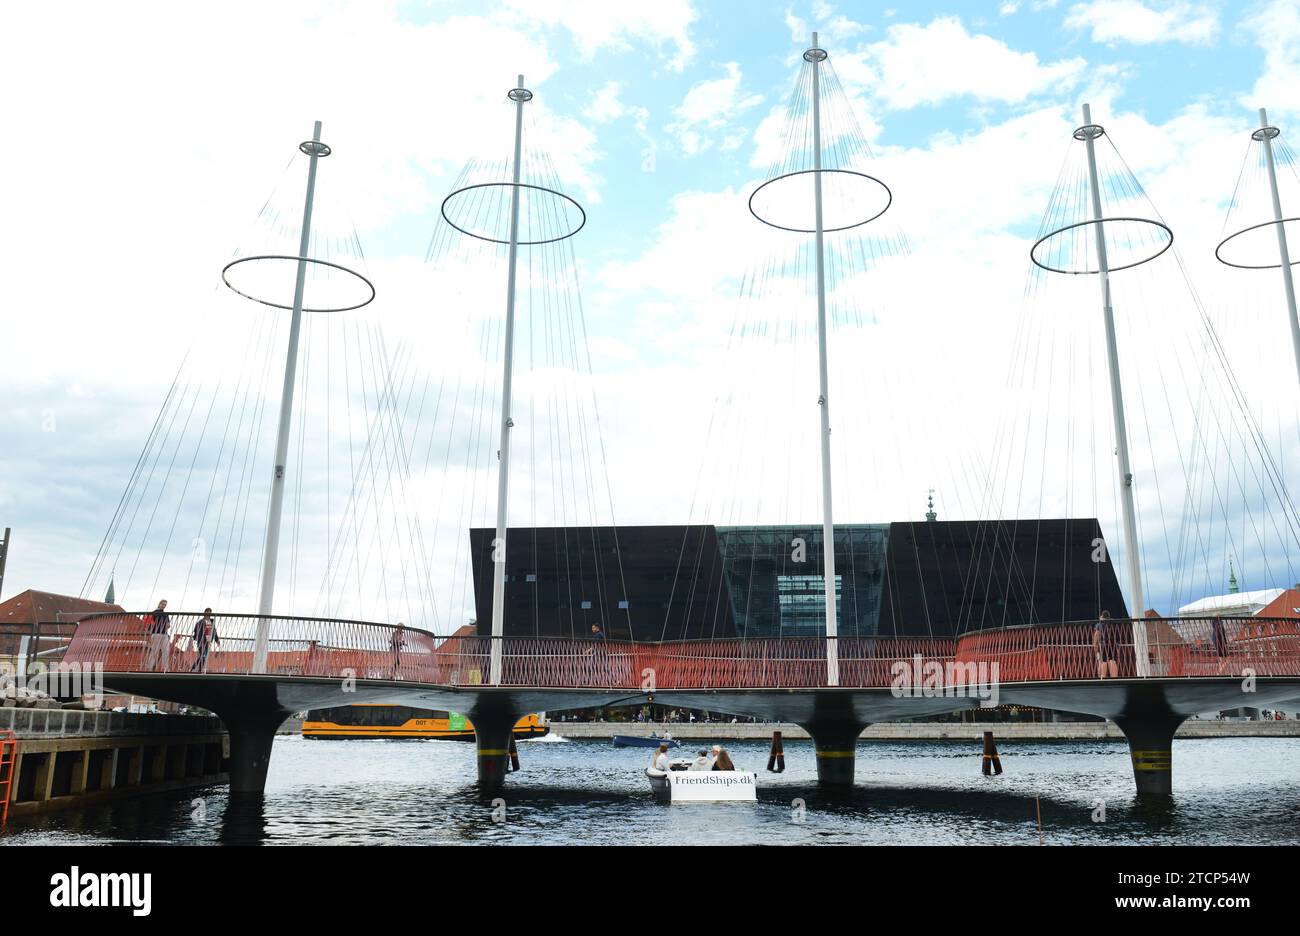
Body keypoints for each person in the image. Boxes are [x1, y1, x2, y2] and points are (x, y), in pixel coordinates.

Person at [143, 600, 171, 672]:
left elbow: (168, 625)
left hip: (164, 633)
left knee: (166, 651)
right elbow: (148, 623)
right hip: (156, 633)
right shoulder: (154, 613)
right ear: (159, 603)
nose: (164, 605)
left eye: (165, 604)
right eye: (163, 604)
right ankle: (150, 667)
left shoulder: (165, 614)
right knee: (155, 651)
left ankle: (166, 668)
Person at [190, 609, 220, 674]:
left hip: (208, 642)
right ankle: (193, 668)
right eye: (207, 612)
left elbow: (214, 632)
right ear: (204, 613)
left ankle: (199, 670)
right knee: (202, 656)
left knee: (204, 657)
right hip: (201, 642)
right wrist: (196, 638)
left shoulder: (211, 622)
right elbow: (195, 631)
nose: (208, 614)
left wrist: (217, 640)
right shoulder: (200, 622)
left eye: (210, 613)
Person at [1093, 610, 1120, 679]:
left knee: (1103, 661)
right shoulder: (1113, 623)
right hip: (1113, 644)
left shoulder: (1099, 624)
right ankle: (1114, 678)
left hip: (1103, 645)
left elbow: (1097, 634)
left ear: (1102, 616)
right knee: (1112, 660)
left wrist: (1095, 645)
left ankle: (1103, 678)